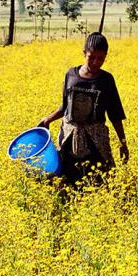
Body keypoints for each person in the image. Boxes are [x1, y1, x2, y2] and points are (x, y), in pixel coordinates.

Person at [37, 32, 128, 184]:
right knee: (66, 179)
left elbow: (115, 114)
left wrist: (123, 143)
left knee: (100, 181)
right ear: (84, 53)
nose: (95, 62)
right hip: (69, 138)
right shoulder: (71, 75)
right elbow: (65, 106)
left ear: (106, 56)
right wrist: (48, 119)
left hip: (96, 141)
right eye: (91, 57)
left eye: (101, 59)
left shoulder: (106, 80)